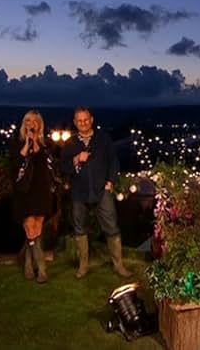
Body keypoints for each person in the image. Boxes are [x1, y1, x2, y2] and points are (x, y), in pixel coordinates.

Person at [61, 106, 132, 279]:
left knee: (112, 228)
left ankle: (118, 265)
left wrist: (111, 181)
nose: (83, 123)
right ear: (75, 122)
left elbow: (113, 162)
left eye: (86, 119)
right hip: (79, 192)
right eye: (79, 120)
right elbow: (63, 167)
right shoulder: (70, 142)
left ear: (91, 120)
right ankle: (83, 266)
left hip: (102, 191)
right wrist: (77, 159)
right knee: (79, 229)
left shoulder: (103, 139)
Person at [12, 110, 56, 283]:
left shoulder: (46, 144)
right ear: (25, 124)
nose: (31, 123)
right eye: (28, 121)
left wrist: (36, 142)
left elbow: (46, 161)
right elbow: (16, 162)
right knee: (30, 228)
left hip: (41, 191)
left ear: (39, 124)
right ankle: (42, 269)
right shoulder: (17, 142)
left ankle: (28, 265)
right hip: (24, 192)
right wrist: (27, 143)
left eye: (35, 121)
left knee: (36, 229)